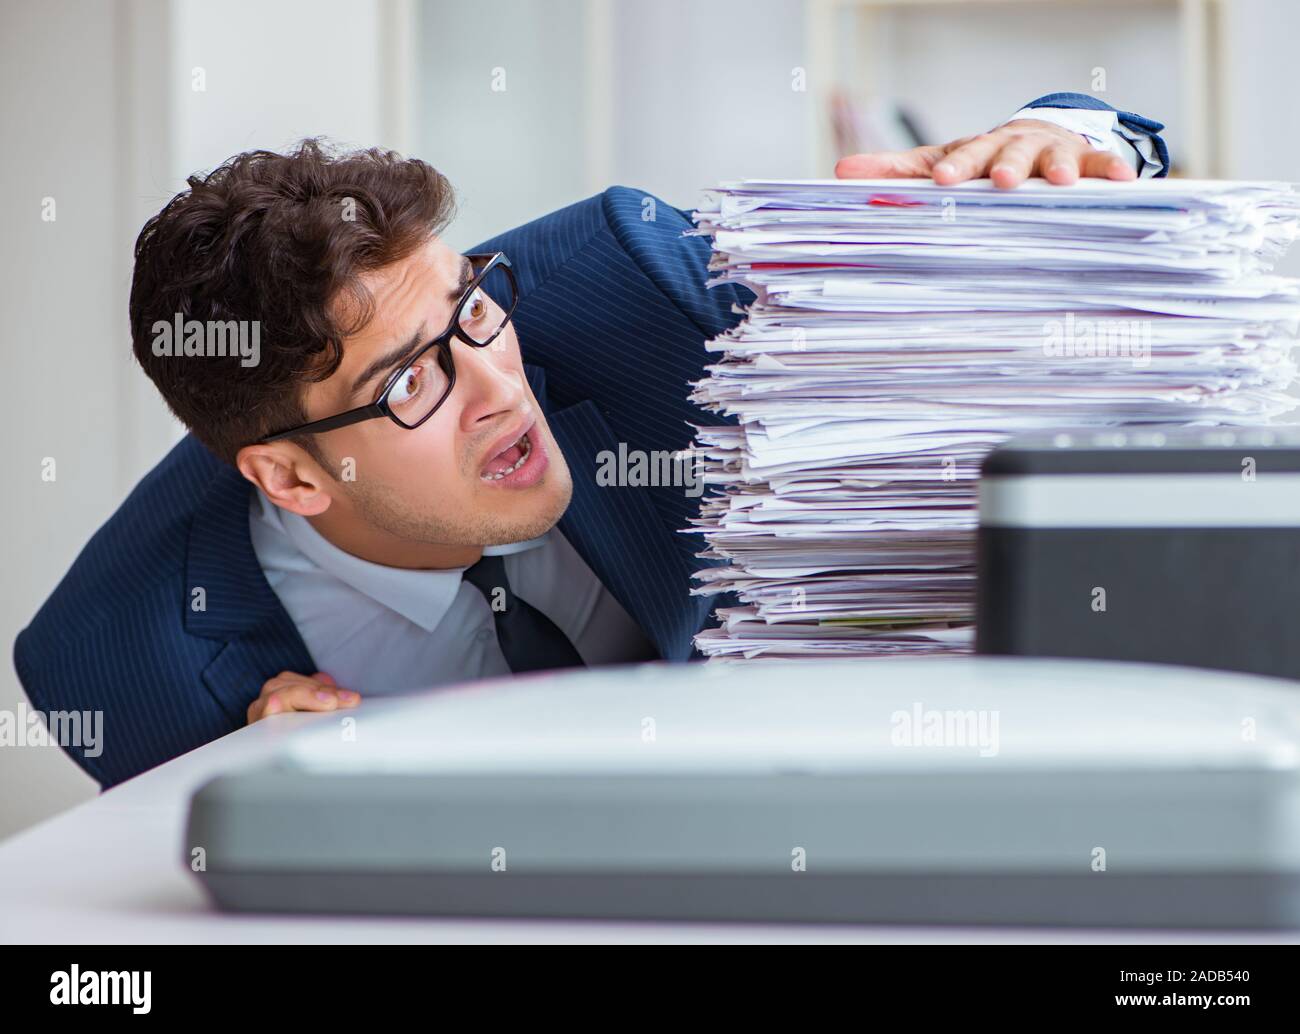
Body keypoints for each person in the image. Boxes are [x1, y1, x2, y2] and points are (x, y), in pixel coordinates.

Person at [14, 93, 1168, 788]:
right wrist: (270, 798)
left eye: (472, 309)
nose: (495, 383)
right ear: (286, 477)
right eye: (414, 379)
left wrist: (1056, 142)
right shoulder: (125, 666)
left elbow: (1035, 227)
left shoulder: (632, 294)